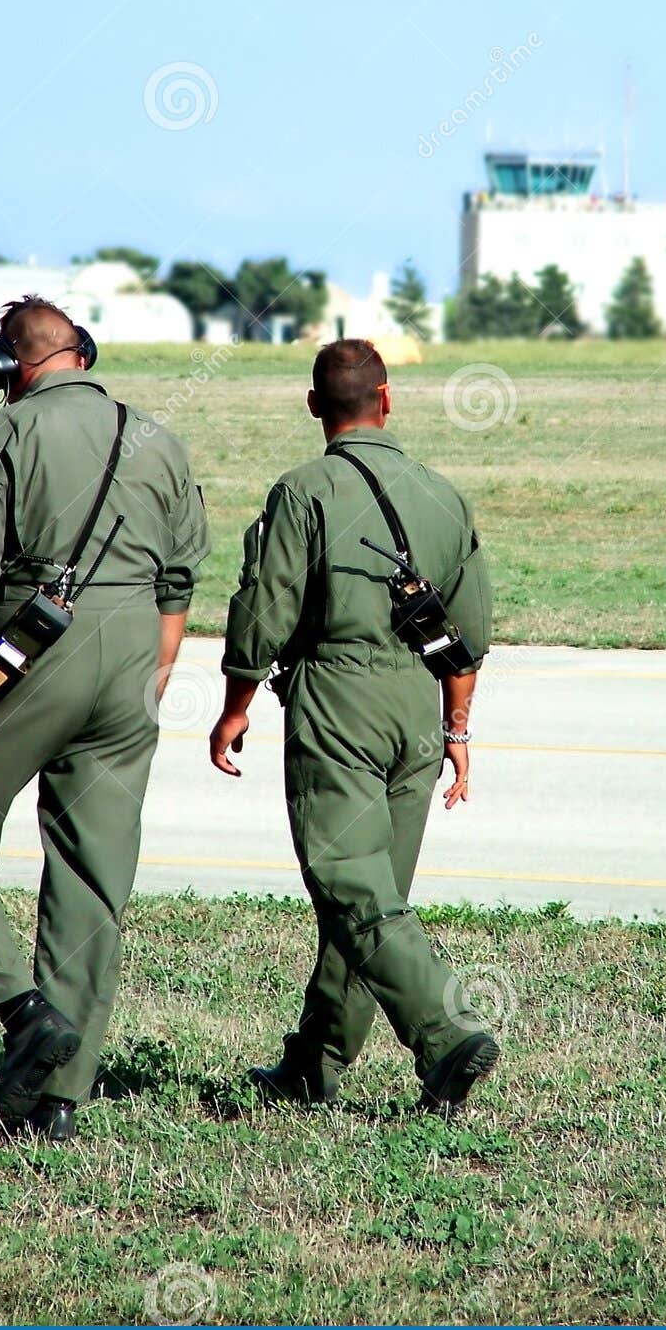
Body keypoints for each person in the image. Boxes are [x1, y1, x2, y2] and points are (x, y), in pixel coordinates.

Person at [0, 296, 209, 1142]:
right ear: (84, 353)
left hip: (37, 648)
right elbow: (179, 586)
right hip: (138, 656)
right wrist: (149, 685)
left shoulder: (5, 435)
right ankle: (57, 1101)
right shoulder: (158, 438)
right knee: (92, 876)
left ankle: (24, 1013)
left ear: (10, 366)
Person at [208, 338, 496, 1113]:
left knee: (351, 888)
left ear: (314, 407)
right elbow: (466, 638)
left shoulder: (303, 492)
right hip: (417, 712)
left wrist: (235, 706)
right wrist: (456, 734)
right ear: (387, 400)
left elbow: (265, 613)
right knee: (372, 898)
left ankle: (447, 1032)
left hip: (339, 698)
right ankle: (313, 1065)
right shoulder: (443, 495)